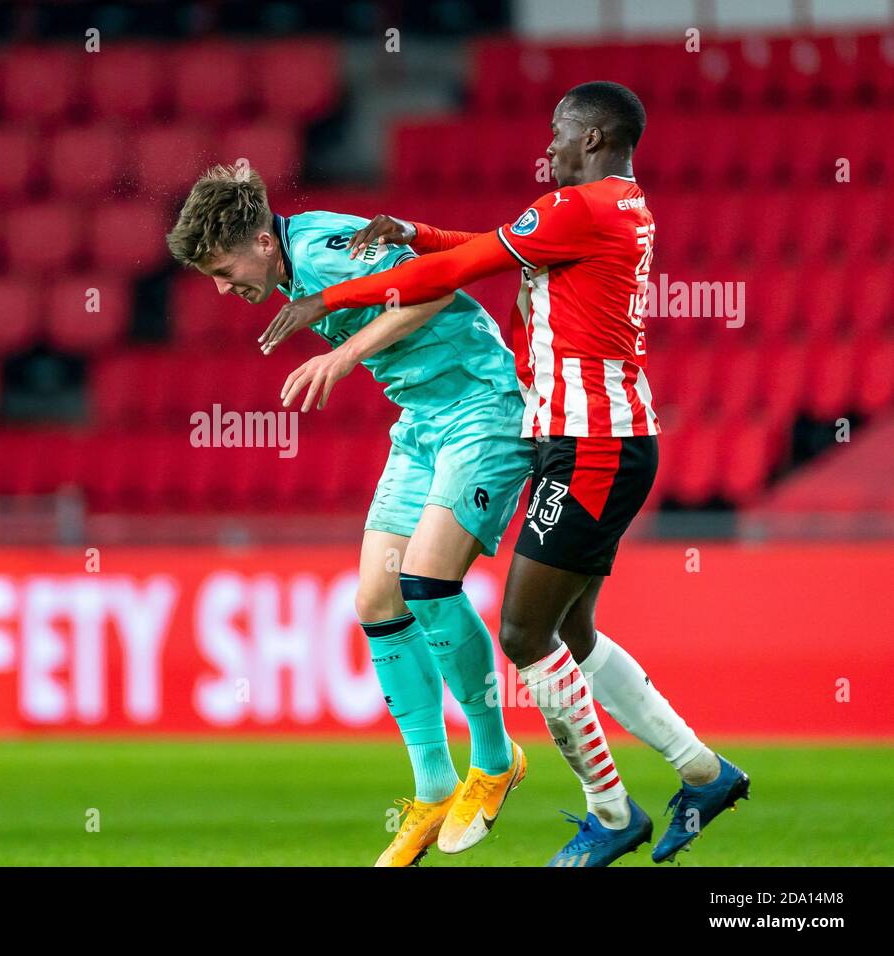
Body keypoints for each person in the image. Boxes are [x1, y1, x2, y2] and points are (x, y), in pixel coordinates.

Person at [259, 82, 750, 866]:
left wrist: (330, 304)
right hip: (599, 440)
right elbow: (480, 245)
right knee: (573, 632)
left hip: (590, 447)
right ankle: (702, 771)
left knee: (526, 633)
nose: (546, 145)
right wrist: (412, 231)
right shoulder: (612, 207)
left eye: (559, 132)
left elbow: (454, 272)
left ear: (594, 139)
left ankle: (611, 811)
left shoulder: (577, 209)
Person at [166, 163, 534, 865]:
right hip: (424, 420)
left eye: (223, 267)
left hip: (482, 407)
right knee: (375, 599)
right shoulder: (292, 267)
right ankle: (432, 787)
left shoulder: (324, 250)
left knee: (426, 581)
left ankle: (494, 757)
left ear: (263, 243)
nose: (221, 288)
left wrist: (347, 355)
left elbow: (444, 277)